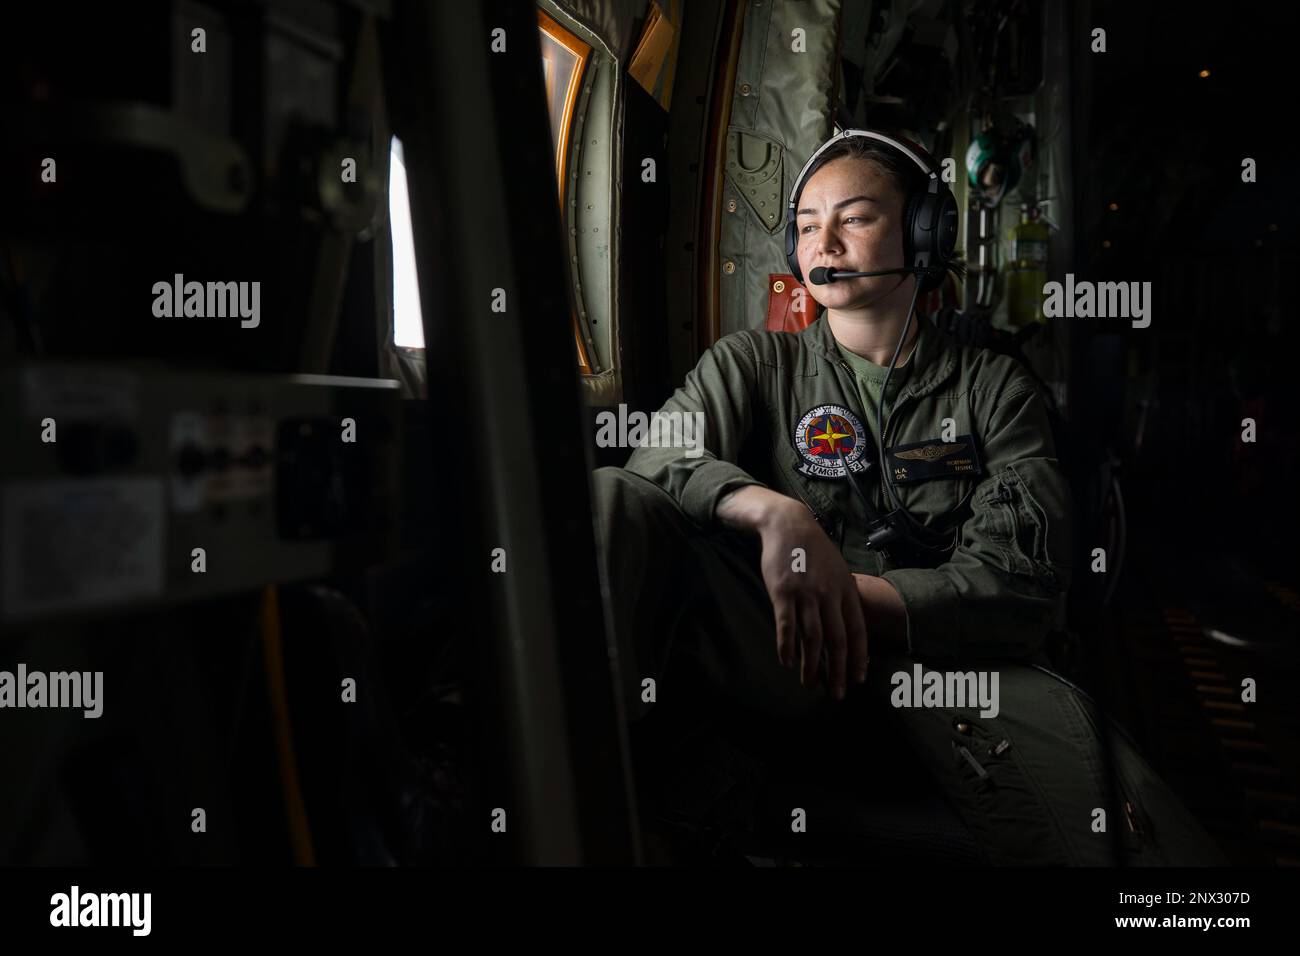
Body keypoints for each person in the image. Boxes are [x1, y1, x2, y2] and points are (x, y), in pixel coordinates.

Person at [591, 130, 1223, 865]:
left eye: (854, 218)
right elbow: (659, 455)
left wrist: (851, 598)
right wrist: (776, 513)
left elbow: (1023, 581)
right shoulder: (755, 364)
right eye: (806, 225)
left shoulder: (994, 390)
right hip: (784, 650)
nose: (822, 241)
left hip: (950, 669)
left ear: (925, 233)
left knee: (1140, 851)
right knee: (612, 498)